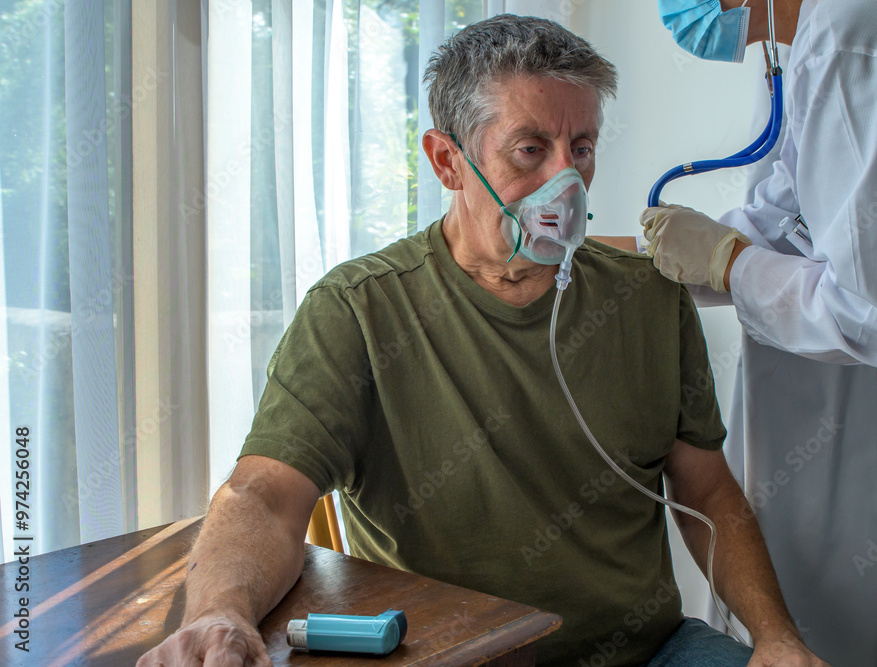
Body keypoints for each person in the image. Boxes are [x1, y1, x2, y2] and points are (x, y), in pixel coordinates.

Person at [138, 14, 826, 667]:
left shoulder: (648, 298)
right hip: (457, 654)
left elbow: (711, 495)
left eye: (580, 148)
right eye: (531, 150)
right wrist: (219, 611)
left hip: (646, 651)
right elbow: (263, 497)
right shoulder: (359, 312)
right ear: (447, 160)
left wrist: (777, 637)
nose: (565, 182)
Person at [638, 1, 877, 664]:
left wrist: (728, 262)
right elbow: (802, 211)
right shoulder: (834, 35)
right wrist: (671, 263)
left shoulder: (856, 30)